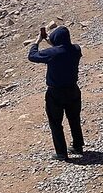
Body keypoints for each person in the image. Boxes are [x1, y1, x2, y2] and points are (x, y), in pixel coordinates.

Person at [28, 26, 84, 162]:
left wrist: (37, 41)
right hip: (73, 90)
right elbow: (60, 47)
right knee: (74, 119)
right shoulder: (76, 49)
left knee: (55, 122)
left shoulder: (52, 54)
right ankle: (78, 146)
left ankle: (61, 153)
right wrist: (48, 39)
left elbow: (32, 56)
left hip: (56, 93)